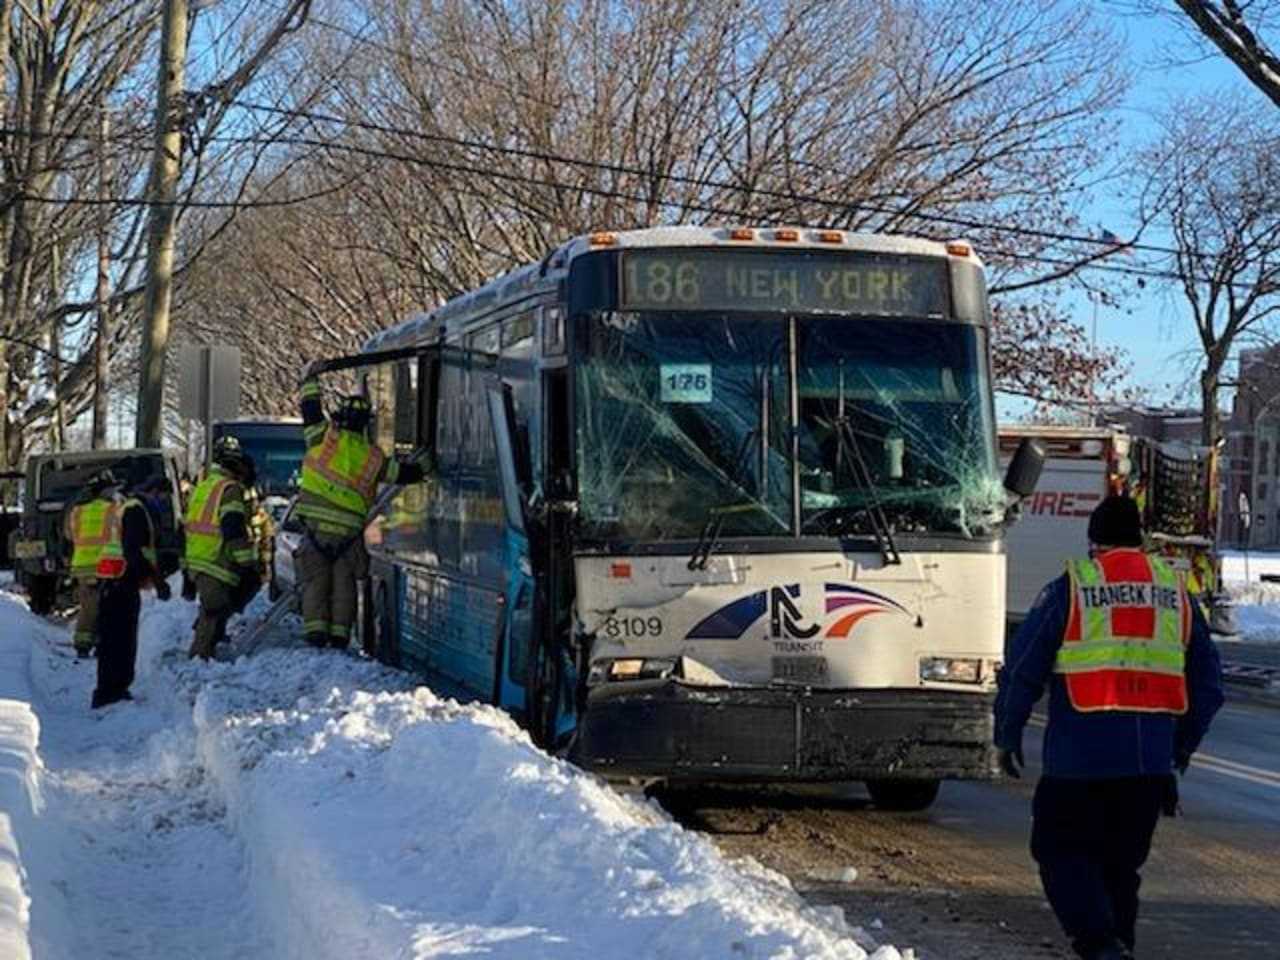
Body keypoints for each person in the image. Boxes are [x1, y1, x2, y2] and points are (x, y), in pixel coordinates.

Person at [994, 495, 1224, 960]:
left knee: (1060, 853)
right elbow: (1209, 685)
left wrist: (1007, 732)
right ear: (1140, 540)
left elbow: (1023, 668)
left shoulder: (1073, 588)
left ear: (1093, 543)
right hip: (1146, 768)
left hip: (1078, 763)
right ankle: (1117, 947)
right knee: (1121, 870)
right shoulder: (1175, 594)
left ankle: (1100, 946)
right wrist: (1178, 749)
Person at [297, 367, 425, 648]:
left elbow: (310, 410)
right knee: (344, 585)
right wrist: (426, 464)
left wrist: (309, 381)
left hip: (317, 530)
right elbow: (404, 475)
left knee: (316, 583)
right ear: (367, 424)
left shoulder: (323, 439)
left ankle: (316, 633)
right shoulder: (373, 457)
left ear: (340, 418)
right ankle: (340, 635)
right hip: (349, 535)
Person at [92, 479, 171, 708]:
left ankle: (112, 689)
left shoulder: (129, 507)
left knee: (115, 639)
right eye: (163, 496)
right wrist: (157, 580)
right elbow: (133, 550)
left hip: (116, 580)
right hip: (121, 582)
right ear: (153, 491)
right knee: (120, 639)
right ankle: (111, 692)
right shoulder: (137, 511)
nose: (164, 502)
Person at [184, 437, 259, 659]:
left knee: (214, 607)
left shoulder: (205, 486)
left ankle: (209, 644)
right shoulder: (230, 489)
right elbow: (233, 528)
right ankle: (200, 656)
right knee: (215, 608)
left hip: (199, 558)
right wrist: (247, 562)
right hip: (216, 560)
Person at [63, 469, 119, 657]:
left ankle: (85, 643)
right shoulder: (113, 509)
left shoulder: (77, 511)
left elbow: (69, 536)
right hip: (103, 565)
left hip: (81, 565)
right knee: (101, 607)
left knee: (89, 606)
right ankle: (89, 644)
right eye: (111, 489)